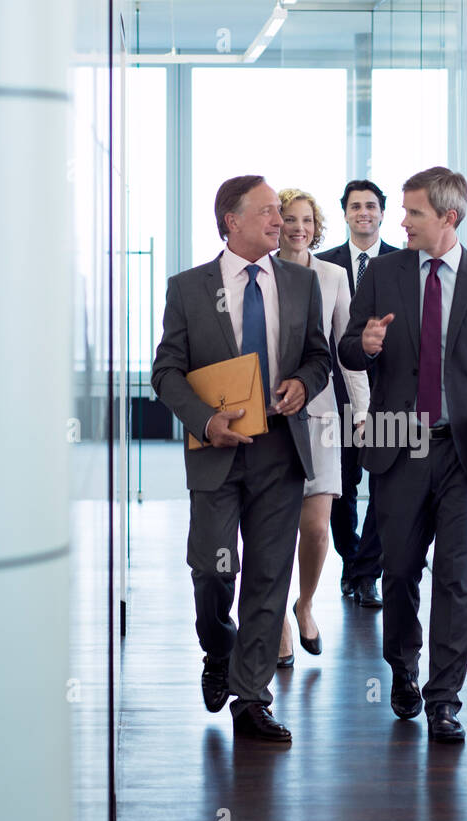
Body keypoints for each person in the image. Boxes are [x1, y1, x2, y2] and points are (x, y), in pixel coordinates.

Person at [338, 166, 467, 743]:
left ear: (449, 216)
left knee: (455, 578)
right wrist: (363, 345)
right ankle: (403, 669)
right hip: (399, 440)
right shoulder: (385, 273)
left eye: (413, 212)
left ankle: (445, 698)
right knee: (398, 572)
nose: (401, 222)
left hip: (463, 449)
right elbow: (347, 346)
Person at [151, 175, 331, 743]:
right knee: (213, 567)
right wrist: (205, 420)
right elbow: (166, 372)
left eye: (280, 212)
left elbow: (320, 357)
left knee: (268, 575)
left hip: (280, 448)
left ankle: (251, 698)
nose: (281, 221)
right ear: (231, 220)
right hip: (216, 451)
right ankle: (217, 649)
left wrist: (304, 382)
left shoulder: (302, 282)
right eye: (268, 213)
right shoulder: (188, 288)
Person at [274, 187, 370, 666]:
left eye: (306, 220)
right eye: (289, 219)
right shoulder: (263, 272)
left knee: (315, 527)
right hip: (271, 412)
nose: (298, 228)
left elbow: (347, 350)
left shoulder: (332, 275)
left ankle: (305, 602)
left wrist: (364, 410)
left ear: (317, 226)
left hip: (322, 412)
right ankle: (277, 620)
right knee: (270, 527)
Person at [318, 179, 399, 609]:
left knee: (385, 487)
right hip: (338, 395)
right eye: (355, 207)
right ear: (345, 214)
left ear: (382, 213)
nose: (364, 213)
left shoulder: (402, 264)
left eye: (371, 206)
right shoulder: (324, 265)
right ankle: (351, 560)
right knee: (341, 487)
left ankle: (367, 573)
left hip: (388, 394)